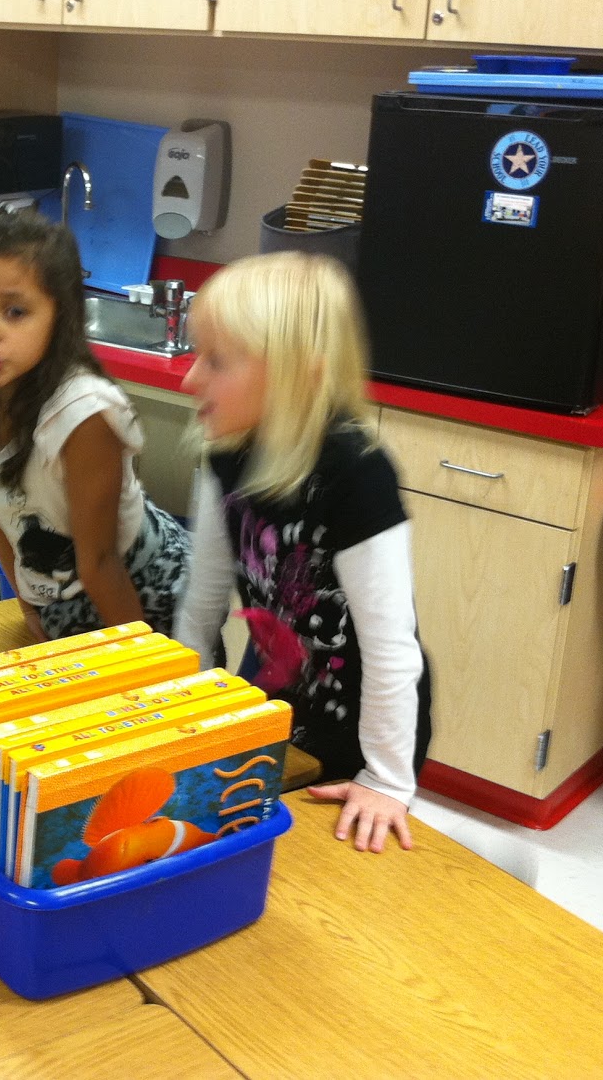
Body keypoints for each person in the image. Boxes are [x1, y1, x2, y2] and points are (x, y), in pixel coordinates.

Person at [172, 250, 432, 853]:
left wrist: (387, 781)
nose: (189, 379)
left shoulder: (356, 474)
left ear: (298, 376)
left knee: (330, 864)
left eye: (216, 361)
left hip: (358, 726)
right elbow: (202, 602)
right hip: (270, 692)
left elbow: (393, 648)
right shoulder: (224, 454)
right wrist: (183, 712)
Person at [0, 207, 189, 639]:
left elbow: (100, 564)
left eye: (15, 312)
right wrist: (29, 610)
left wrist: (144, 670)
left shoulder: (84, 416)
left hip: (144, 592)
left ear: (58, 316)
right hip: (66, 596)